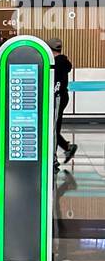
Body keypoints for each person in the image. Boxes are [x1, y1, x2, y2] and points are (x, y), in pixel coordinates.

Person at [51, 38, 77, 166]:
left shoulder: (57, 63)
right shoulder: (63, 62)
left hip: (57, 97)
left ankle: (53, 158)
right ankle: (67, 147)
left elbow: (57, 83)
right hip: (61, 96)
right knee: (53, 126)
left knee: (54, 127)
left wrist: (54, 93)